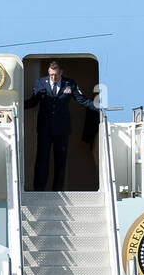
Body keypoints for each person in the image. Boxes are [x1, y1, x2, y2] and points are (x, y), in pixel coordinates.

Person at [23, 60, 96, 191]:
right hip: (45, 128)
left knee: (60, 161)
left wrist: (100, 107)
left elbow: (82, 100)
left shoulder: (70, 83)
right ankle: (39, 190)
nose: (53, 78)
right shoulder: (40, 82)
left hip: (62, 129)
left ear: (61, 72)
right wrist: (17, 105)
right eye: (51, 75)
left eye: (56, 75)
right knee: (42, 160)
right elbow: (33, 102)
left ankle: (58, 190)